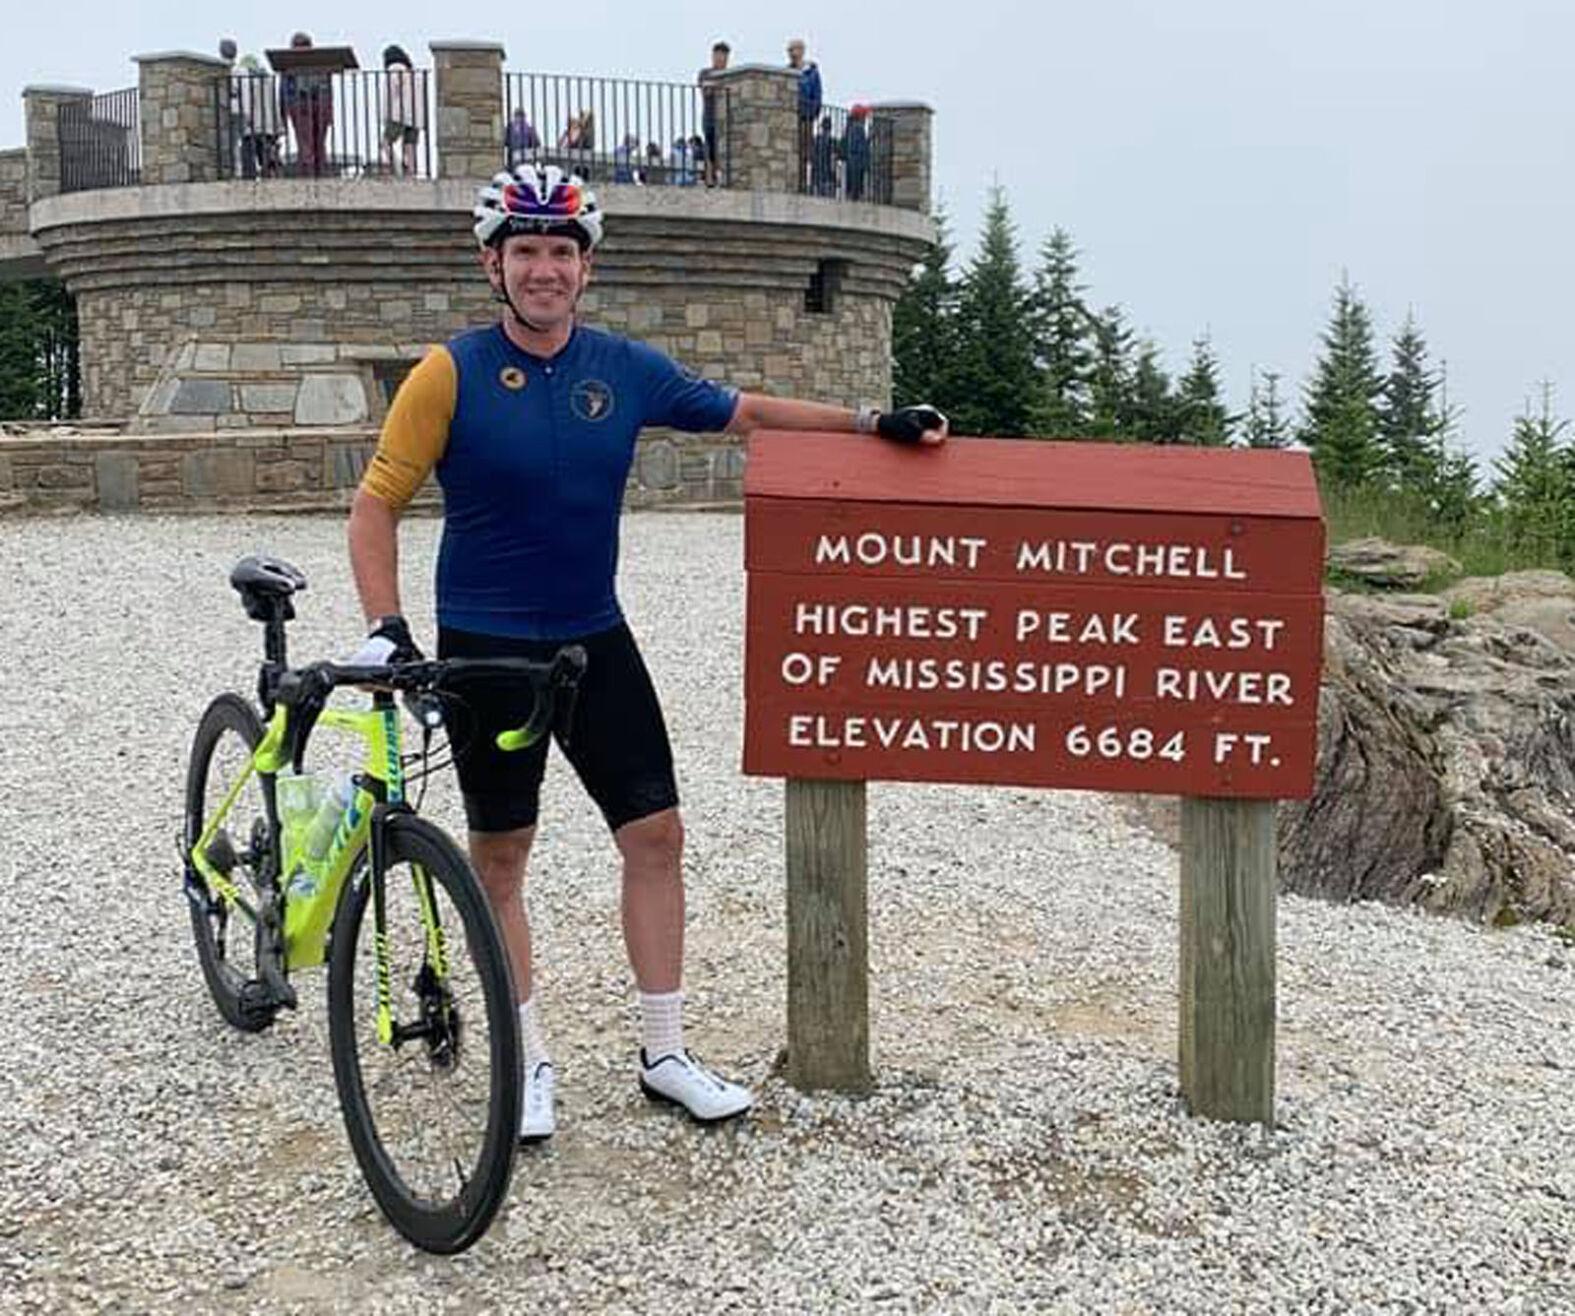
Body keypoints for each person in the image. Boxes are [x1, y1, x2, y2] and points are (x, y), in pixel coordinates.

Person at [346, 164, 947, 1142]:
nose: (545, 269)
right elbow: (376, 503)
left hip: (593, 638)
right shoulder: (446, 373)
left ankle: (663, 1051)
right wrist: (386, 620)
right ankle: (527, 1055)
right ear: (494, 263)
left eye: (562, 252)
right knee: (502, 856)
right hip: (486, 649)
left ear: (585, 267)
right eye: (527, 251)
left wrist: (872, 424)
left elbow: (746, 410)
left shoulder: (620, 369)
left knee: (656, 834)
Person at [278, 31, 334, 177]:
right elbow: (327, 87)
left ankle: (309, 174)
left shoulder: (287, 62)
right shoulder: (319, 61)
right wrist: (329, 112)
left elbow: (284, 90)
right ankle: (319, 173)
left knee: (305, 143)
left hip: (299, 104)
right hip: (318, 104)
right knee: (317, 142)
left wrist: (283, 114)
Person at [236, 55, 282, 178]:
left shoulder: (245, 78)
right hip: (268, 124)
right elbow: (275, 103)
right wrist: (278, 125)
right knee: (265, 153)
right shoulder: (268, 79)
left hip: (252, 124)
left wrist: (246, 117)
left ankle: (249, 178)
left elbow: (246, 99)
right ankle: (269, 176)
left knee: (248, 152)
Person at [381, 44, 425, 177]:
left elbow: (393, 90)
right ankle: (411, 172)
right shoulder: (414, 73)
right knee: (410, 145)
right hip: (416, 115)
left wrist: (385, 114)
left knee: (385, 142)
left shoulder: (395, 69)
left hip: (398, 113)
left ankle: (395, 166)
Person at [787, 38, 822, 190]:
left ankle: (803, 183)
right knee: (791, 151)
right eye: (789, 51)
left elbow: (817, 94)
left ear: (801, 51)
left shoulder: (811, 73)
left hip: (805, 117)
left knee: (804, 152)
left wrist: (813, 112)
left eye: (794, 50)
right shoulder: (786, 72)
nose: (792, 54)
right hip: (790, 117)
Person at [697, 40, 728, 186]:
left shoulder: (730, 74)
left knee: (721, 148)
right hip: (709, 116)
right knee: (709, 147)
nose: (721, 59)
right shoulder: (705, 73)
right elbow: (705, 90)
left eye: (724, 56)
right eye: (718, 55)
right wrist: (718, 85)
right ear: (713, 56)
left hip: (725, 117)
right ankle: (709, 179)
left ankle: (720, 178)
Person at [843, 103, 871, 201]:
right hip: (857, 160)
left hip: (854, 159)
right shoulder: (858, 128)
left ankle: (853, 193)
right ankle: (856, 194)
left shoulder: (850, 127)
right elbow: (860, 146)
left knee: (853, 179)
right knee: (856, 180)